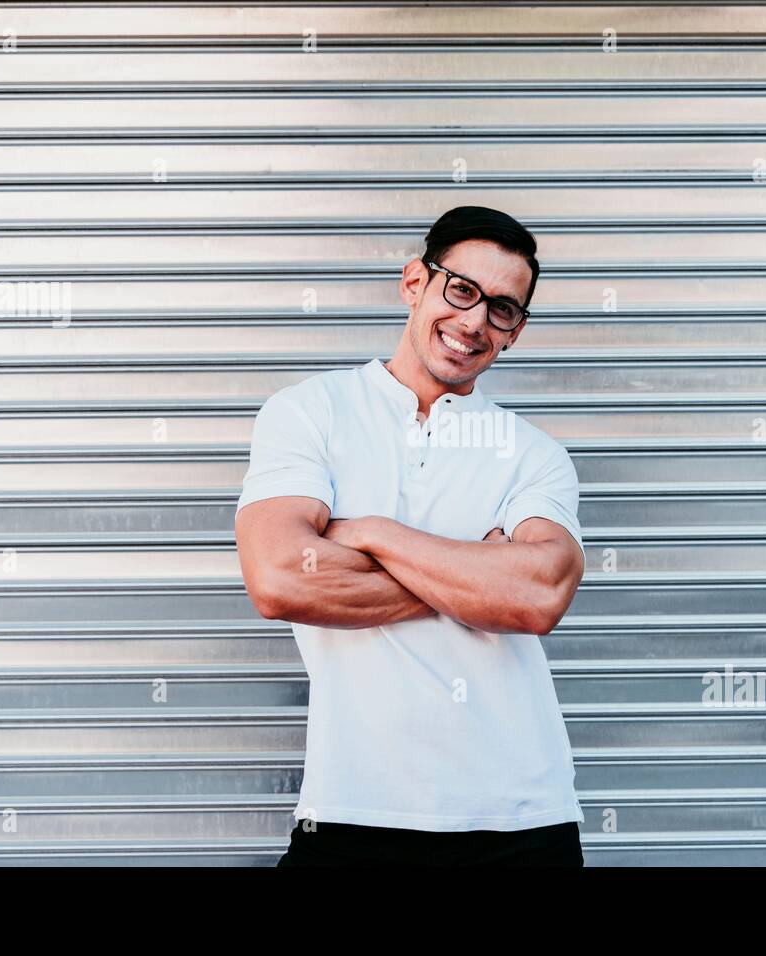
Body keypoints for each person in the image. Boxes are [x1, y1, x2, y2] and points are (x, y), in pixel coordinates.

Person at [234, 205, 587, 866]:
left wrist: (369, 532)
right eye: (461, 289)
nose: (475, 321)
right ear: (413, 284)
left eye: (503, 309)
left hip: (520, 823)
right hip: (350, 813)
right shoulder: (310, 413)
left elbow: (538, 598)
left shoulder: (531, 453)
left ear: (515, 333)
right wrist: (479, 574)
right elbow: (281, 577)